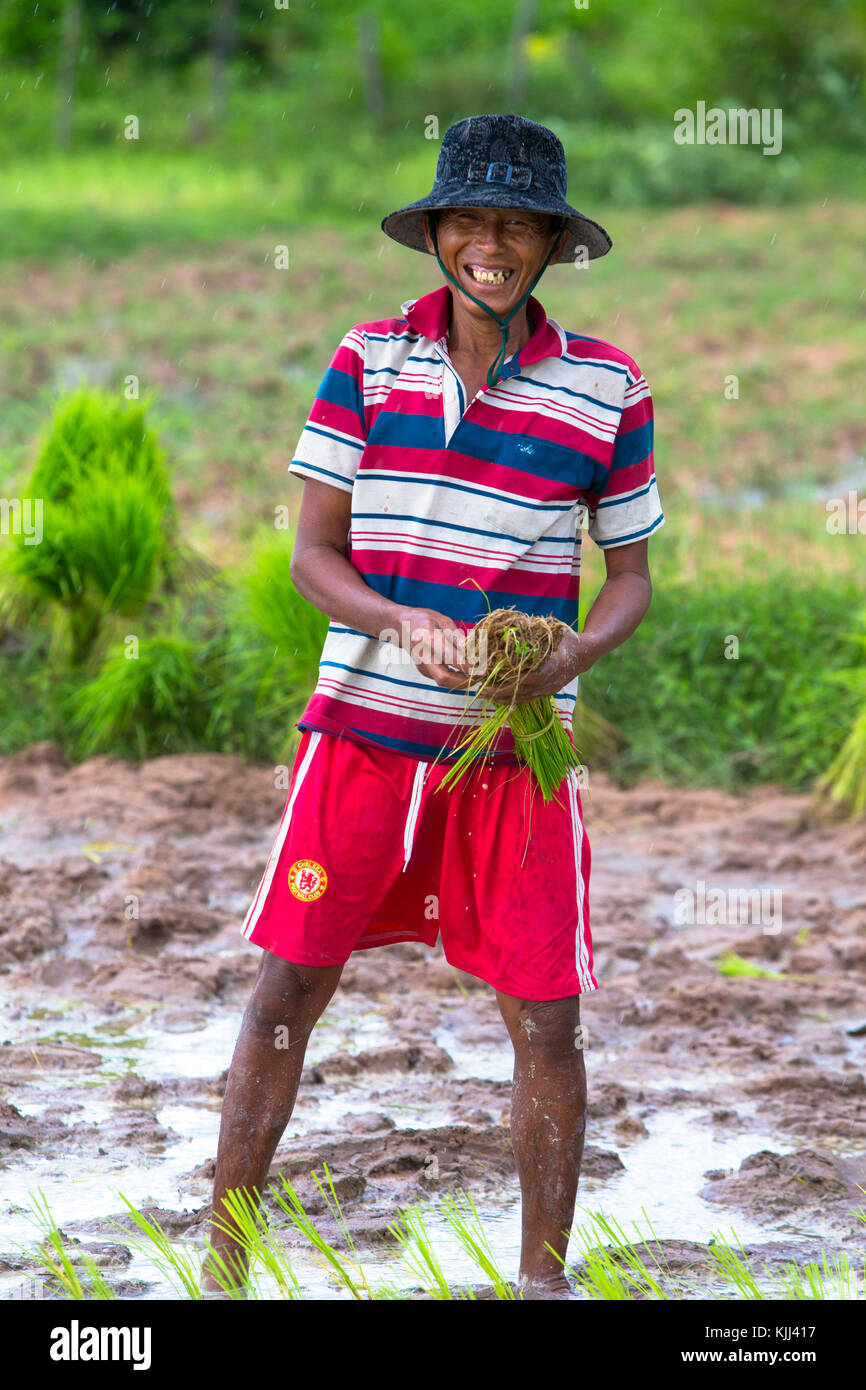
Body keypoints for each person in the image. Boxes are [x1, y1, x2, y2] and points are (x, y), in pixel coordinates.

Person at [204, 113, 664, 1299]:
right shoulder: (368, 361)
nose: (490, 244)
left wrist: (568, 653)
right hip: (361, 730)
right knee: (288, 989)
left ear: (553, 245)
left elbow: (629, 579)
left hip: (513, 752)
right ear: (436, 235)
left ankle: (542, 1282)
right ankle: (220, 1260)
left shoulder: (605, 389)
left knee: (546, 1014)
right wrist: (403, 624)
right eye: (469, 220)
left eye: (517, 224)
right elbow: (313, 557)